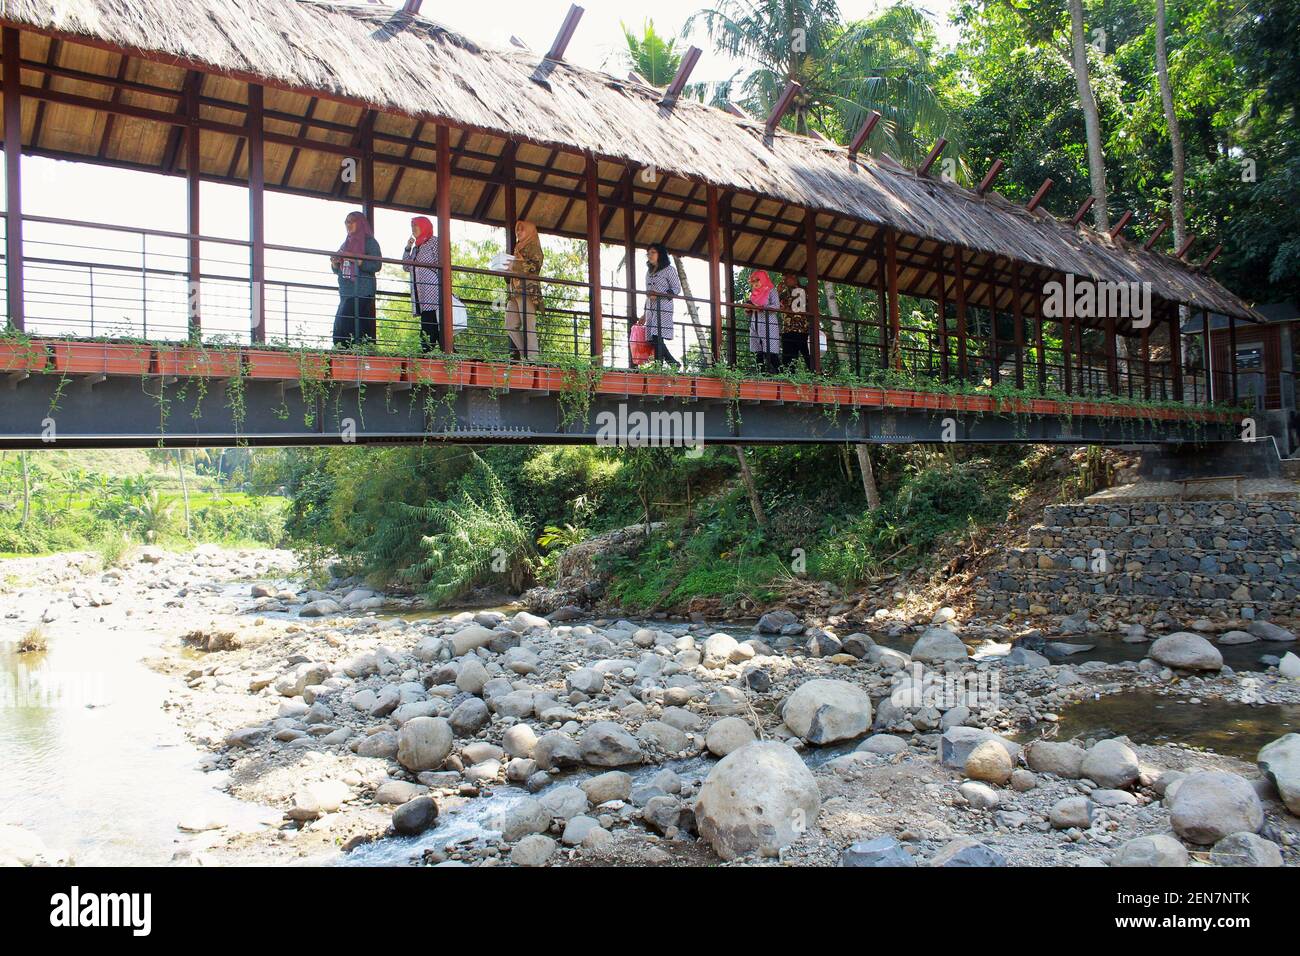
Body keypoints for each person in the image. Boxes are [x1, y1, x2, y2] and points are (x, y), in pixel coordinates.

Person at [331, 211, 381, 347]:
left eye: (352, 221)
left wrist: (357, 260)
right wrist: (335, 262)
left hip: (362, 290)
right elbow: (338, 270)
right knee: (342, 323)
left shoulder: (369, 242)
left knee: (352, 322)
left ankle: (356, 351)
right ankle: (344, 351)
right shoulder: (345, 243)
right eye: (346, 222)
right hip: (346, 291)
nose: (348, 224)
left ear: (360, 223)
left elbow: (376, 265)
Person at [403, 215, 442, 351]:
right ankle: (442, 351)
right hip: (421, 292)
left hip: (433, 290)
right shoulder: (416, 248)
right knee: (430, 323)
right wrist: (408, 247)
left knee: (431, 322)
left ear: (424, 226)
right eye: (412, 226)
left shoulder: (434, 242)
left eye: (416, 225)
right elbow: (406, 267)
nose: (413, 228)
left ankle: (427, 352)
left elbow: (442, 263)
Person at [506, 220, 543, 360]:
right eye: (517, 230)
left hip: (527, 290)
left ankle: (533, 359)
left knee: (529, 325)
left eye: (522, 229)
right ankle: (525, 356)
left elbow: (535, 267)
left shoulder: (534, 247)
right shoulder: (517, 248)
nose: (518, 232)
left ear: (530, 231)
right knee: (510, 324)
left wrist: (513, 265)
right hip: (514, 291)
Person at [642, 243, 681, 367]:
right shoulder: (649, 272)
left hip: (663, 307)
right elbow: (647, 293)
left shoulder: (669, 270)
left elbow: (676, 289)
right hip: (650, 308)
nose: (650, 255)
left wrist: (659, 294)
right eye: (648, 253)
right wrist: (643, 313)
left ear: (660, 254)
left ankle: (661, 365)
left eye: (653, 252)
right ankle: (671, 363)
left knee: (657, 335)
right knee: (653, 337)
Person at [746, 270, 780, 374]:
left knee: (770, 350)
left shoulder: (771, 290)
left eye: (758, 280)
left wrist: (761, 308)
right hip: (755, 323)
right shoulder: (754, 294)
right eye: (753, 281)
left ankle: (778, 375)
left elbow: (776, 306)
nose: (756, 283)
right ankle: (761, 374)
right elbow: (750, 310)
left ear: (764, 279)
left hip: (768, 324)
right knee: (757, 350)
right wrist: (748, 309)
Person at [779, 270, 811, 370]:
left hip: (802, 329)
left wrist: (786, 309)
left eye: (786, 278)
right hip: (788, 329)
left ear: (794, 277)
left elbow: (803, 307)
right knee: (788, 357)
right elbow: (774, 304)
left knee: (807, 354)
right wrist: (778, 291)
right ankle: (789, 377)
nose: (784, 281)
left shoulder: (805, 290)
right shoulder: (784, 293)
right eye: (783, 279)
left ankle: (816, 374)